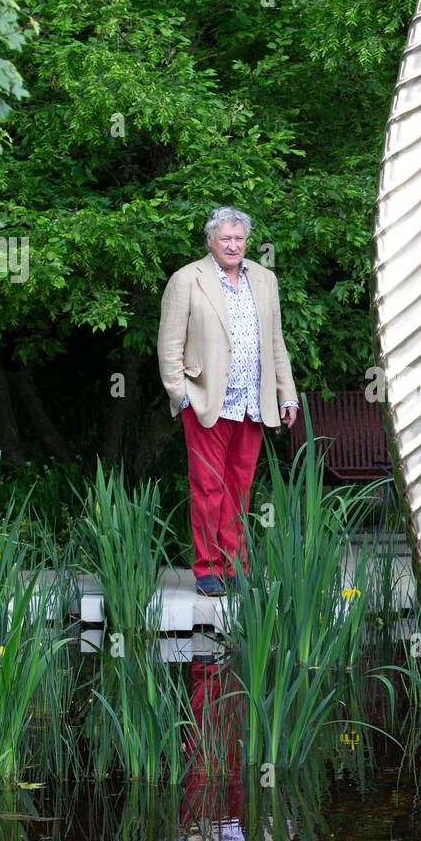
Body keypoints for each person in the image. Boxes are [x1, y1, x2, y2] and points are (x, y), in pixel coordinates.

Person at [157, 207, 298, 594]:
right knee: (207, 487)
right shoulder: (187, 279)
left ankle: (235, 566)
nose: (233, 245)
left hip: (253, 403)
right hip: (207, 403)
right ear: (210, 241)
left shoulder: (265, 279)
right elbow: (169, 346)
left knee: (240, 487)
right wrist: (181, 395)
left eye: (239, 239)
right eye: (225, 239)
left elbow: (275, 343)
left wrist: (287, 395)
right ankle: (207, 569)